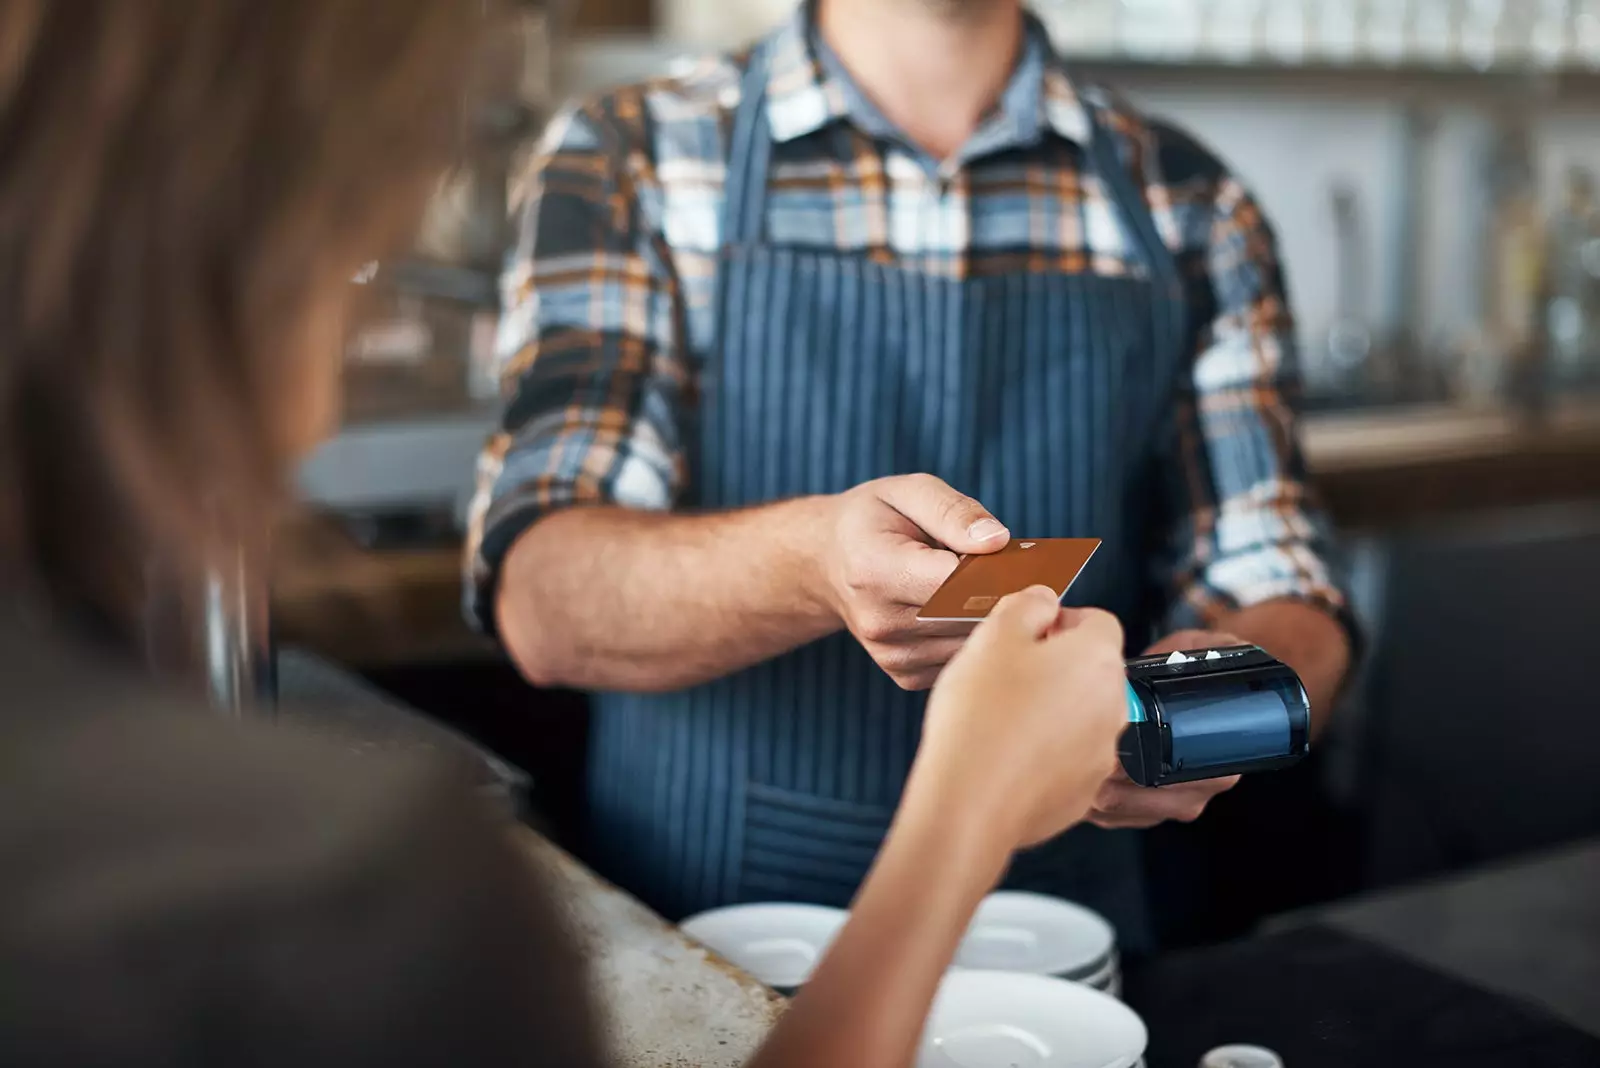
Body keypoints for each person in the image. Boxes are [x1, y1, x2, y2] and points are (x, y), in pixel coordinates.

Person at [0, 2, 1133, 1066]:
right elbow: (539, 587)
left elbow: (1272, 581)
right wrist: (965, 806)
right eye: (365, 256)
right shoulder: (360, 892)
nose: (382, 319)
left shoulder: (1170, 187)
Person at [469, 0, 1358, 948]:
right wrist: (812, 564)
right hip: (709, 935)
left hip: (1057, 956)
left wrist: (1192, 722)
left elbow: (1288, 592)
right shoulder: (631, 158)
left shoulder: (1189, 200)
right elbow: (542, 598)